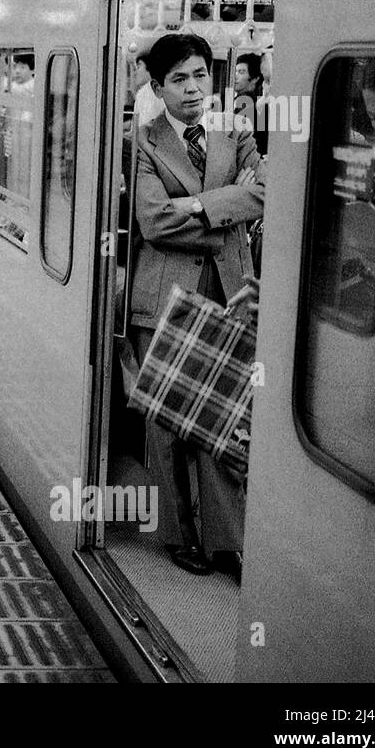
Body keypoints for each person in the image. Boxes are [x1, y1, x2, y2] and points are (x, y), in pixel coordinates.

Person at [130, 32, 264, 578]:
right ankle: (178, 536)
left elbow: (266, 191)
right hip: (164, 296)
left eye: (201, 75)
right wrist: (225, 209)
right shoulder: (142, 140)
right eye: (180, 79)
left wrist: (194, 205)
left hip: (231, 289)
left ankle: (226, 540)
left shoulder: (237, 130)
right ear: (158, 88)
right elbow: (152, 220)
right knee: (168, 423)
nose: (193, 88)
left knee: (227, 418)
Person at [233, 52, 265, 152]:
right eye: (235, 71)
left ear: (255, 78)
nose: (235, 76)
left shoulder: (245, 101)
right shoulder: (257, 101)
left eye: (241, 72)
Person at [132, 54, 165, 129]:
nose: (135, 73)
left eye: (138, 67)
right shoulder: (142, 93)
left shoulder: (154, 91)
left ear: (149, 68)